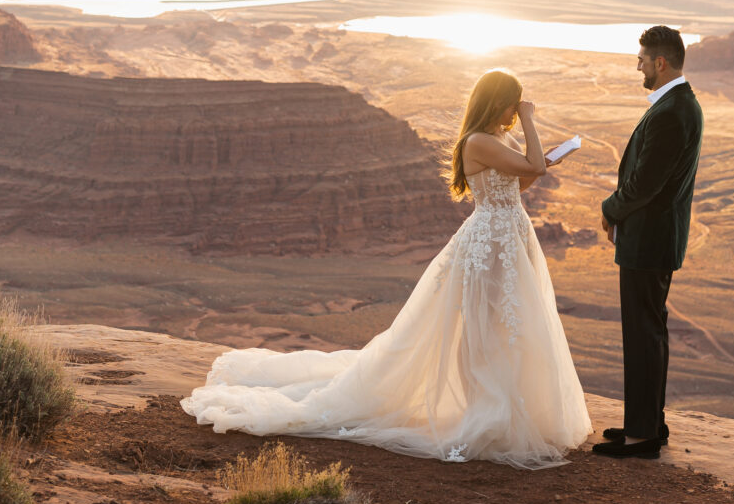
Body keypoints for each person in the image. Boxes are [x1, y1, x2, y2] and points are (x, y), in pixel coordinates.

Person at [182, 68, 592, 468]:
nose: (515, 111)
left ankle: (508, 408)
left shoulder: (498, 138)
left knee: (510, 324)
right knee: (482, 326)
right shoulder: (479, 141)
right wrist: (530, 121)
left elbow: (522, 181)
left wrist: (540, 154)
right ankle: (484, 411)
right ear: (498, 102)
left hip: (511, 236)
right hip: (490, 243)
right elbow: (534, 166)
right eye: (512, 104)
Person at [594, 25, 703, 459]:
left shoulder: (672, 112)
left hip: (649, 241)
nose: (637, 66)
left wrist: (609, 209)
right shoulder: (678, 104)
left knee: (642, 335)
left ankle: (643, 437)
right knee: (649, 333)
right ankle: (647, 424)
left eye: (641, 60)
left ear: (660, 62)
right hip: (655, 239)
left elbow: (645, 184)